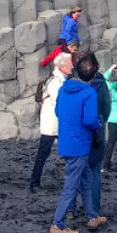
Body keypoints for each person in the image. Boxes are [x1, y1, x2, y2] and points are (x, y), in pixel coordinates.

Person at [50, 55, 103, 233]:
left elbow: (57, 111)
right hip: (79, 145)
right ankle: (58, 223)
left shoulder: (64, 89)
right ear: (94, 74)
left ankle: (91, 216)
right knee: (71, 185)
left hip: (66, 142)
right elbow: (90, 120)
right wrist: (98, 125)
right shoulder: (89, 93)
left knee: (86, 179)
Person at [31, 52, 73, 192]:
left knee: (47, 153)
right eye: (69, 63)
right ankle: (34, 183)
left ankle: (35, 182)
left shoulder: (58, 80)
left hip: (54, 124)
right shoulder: (56, 82)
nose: (72, 66)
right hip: (52, 124)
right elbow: (60, 102)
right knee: (45, 153)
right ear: (62, 66)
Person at [83, 53, 112, 224]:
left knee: (75, 172)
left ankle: (70, 210)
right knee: (94, 172)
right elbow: (107, 110)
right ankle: (93, 212)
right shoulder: (101, 86)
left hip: (79, 133)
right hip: (97, 130)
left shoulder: (74, 85)